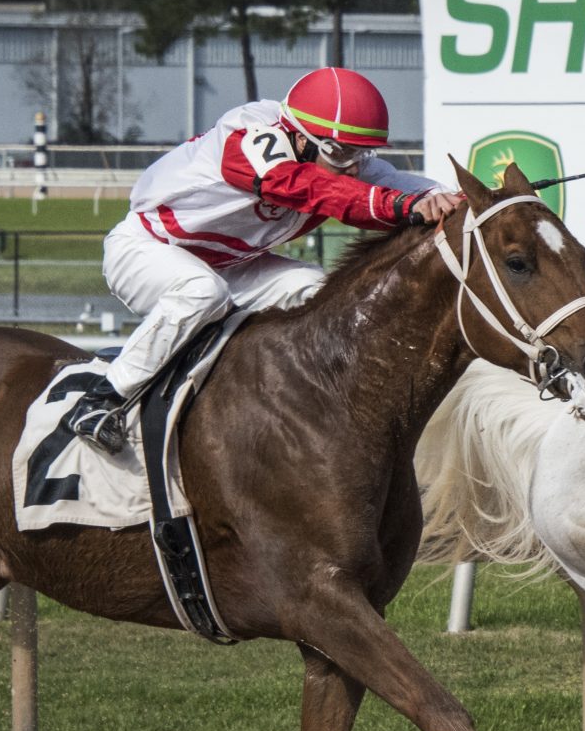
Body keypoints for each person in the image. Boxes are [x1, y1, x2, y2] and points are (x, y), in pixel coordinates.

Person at [65, 67, 466, 453]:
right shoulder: (247, 136)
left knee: (314, 290)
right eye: (341, 153)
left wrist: (468, 202)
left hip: (233, 264)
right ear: (299, 136)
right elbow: (308, 188)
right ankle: (103, 400)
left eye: (361, 154)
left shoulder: (334, 154)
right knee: (202, 292)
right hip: (148, 249)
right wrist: (401, 206)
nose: (354, 167)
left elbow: (409, 187)